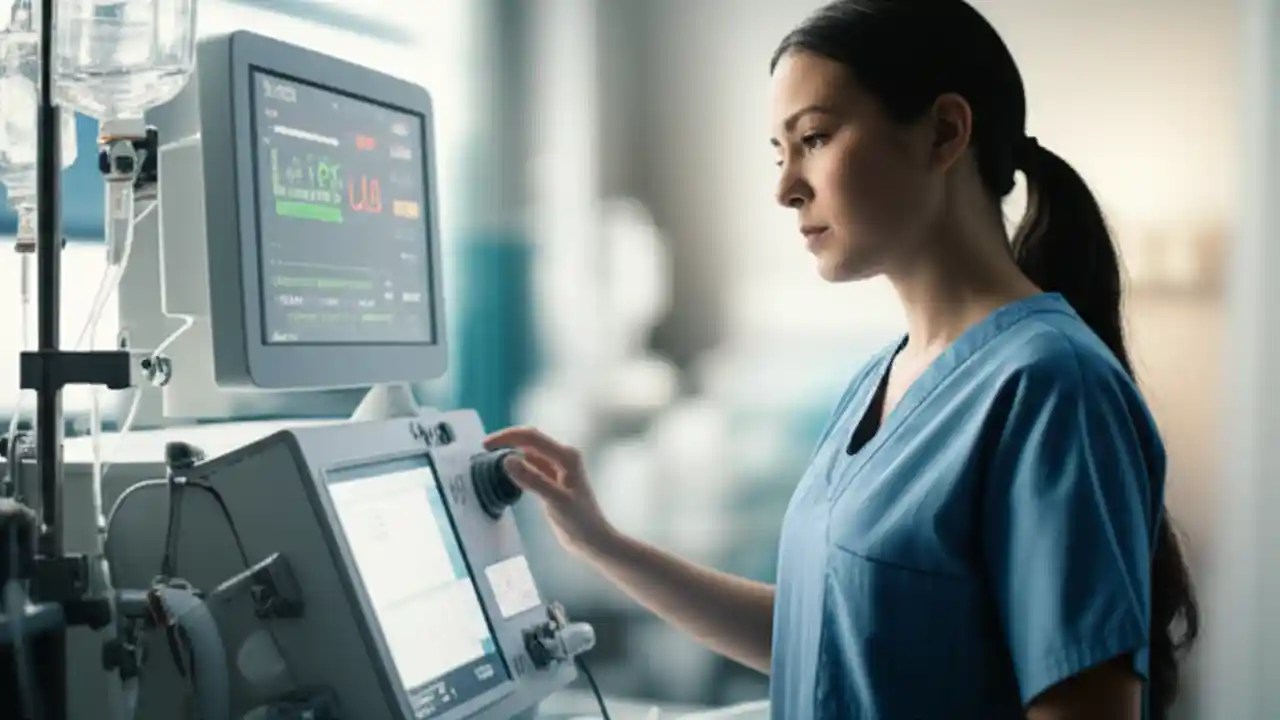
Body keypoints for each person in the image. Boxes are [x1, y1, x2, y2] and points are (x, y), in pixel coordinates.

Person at [486, 0, 1199, 717]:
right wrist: (602, 544)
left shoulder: (1050, 387)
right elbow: (832, 643)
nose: (786, 187)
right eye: (780, 153)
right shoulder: (881, 379)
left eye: (815, 138)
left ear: (945, 132)